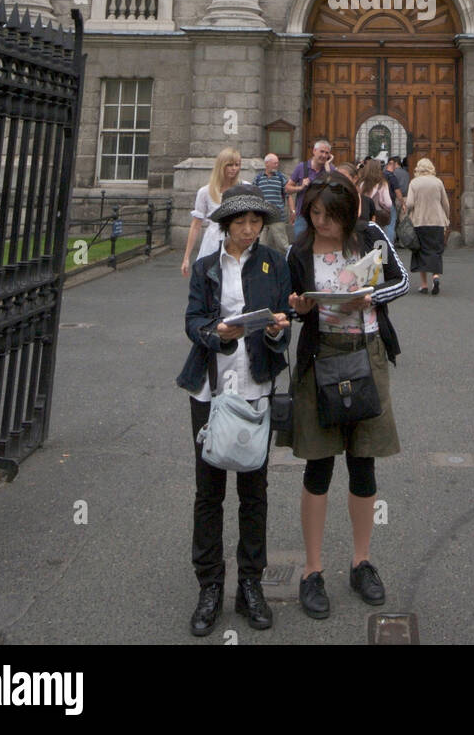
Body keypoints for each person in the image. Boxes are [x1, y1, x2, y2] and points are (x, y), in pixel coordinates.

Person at [281, 176, 408, 618]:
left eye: (330, 216)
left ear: (349, 213)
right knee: (319, 465)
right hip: (321, 357)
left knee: (362, 462)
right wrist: (296, 309)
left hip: (366, 354)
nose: (322, 224)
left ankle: (361, 562)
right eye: (314, 215)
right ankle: (312, 571)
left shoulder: (370, 236)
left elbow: (401, 280)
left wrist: (370, 297)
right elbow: (285, 305)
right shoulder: (297, 251)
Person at [176, 185, 291, 635]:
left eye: (255, 222)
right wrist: (216, 333)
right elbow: (192, 321)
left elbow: (281, 319)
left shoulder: (273, 263)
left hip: (254, 387)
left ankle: (250, 584)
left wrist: (278, 330)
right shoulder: (206, 268)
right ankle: (208, 586)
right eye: (240, 222)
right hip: (209, 389)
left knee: (254, 490)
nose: (248, 229)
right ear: (226, 225)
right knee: (209, 491)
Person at [181, 148, 247, 278]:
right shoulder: (205, 192)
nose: (234, 168)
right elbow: (195, 225)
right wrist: (186, 257)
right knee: (211, 280)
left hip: (238, 238)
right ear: (221, 166)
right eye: (229, 165)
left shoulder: (244, 188)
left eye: (237, 165)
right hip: (213, 240)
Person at [404, 157, 450, 294]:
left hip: (419, 221)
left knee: (420, 252)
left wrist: (407, 210)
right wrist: (446, 218)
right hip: (436, 221)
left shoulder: (414, 183)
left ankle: (424, 285)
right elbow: (445, 203)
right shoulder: (438, 182)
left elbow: (410, 203)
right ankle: (435, 277)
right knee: (435, 251)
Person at [285, 139, 335, 241]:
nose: (324, 155)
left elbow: (335, 190)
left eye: (327, 153)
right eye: (321, 151)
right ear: (314, 151)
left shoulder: (330, 169)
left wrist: (328, 168)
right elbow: (287, 189)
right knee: (301, 246)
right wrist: (300, 187)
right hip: (303, 217)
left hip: (323, 218)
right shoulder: (301, 167)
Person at [253, 153, 290, 254]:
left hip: (278, 217)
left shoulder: (281, 177)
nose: (277, 165)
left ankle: (288, 264)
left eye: (277, 163)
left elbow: (288, 194)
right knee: (261, 244)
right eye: (274, 163)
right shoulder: (258, 178)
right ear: (267, 164)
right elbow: (253, 196)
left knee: (282, 245)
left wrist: (293, 211)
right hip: (262, 217)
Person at [356, 158, 392, 232]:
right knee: (378, 240)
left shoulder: (361, 183)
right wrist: (382, 203)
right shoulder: (382, 183)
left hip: (364, 215)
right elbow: (388, 203)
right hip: (377, 216)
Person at [384, 155, 408, 244]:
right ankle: (395, 242)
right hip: (394, 200)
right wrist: (403, 203)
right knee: (394, 223)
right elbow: (398, 191)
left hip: (383, 202)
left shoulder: (382, 174)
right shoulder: (396, 175)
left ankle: (385, 242)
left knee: (387, 223)